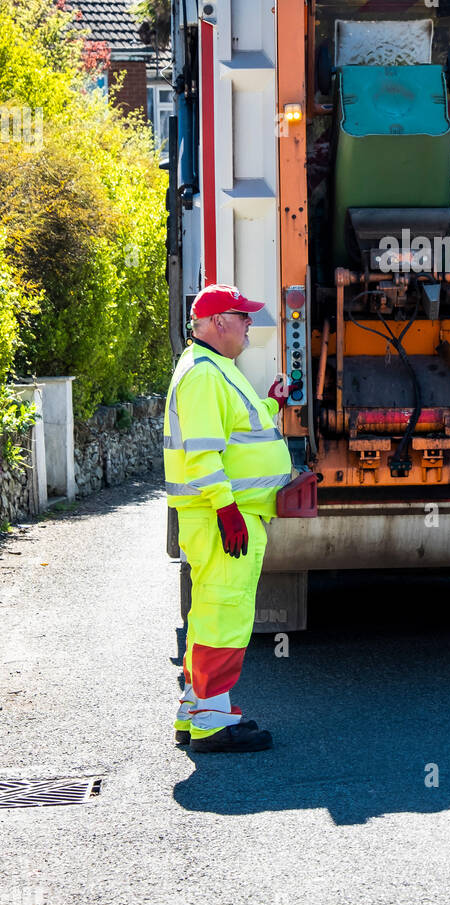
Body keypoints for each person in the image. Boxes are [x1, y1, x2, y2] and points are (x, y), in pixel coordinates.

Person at [164, 284, 293, 753]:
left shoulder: (215, 369)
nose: (249, 324)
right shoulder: (203, 374)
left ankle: (194, 710)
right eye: (243, 316)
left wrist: (272, 403)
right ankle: (214, 724)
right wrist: (225, 509)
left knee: (208, 615)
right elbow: (202, 454)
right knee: (225, 616)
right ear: (218, 323)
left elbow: (237, 427)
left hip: (225, 515)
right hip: (223, 518)